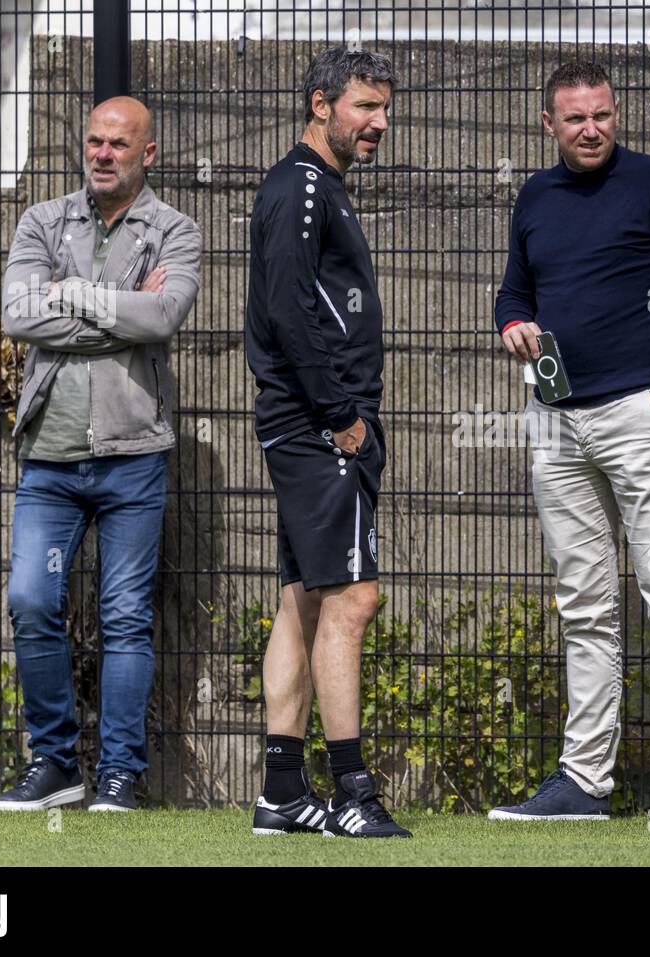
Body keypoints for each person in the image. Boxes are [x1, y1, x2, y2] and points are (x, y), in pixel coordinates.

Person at [487, 61, 650, 823]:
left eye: (601, 114)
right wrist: (512, 325)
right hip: (556, 419)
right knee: (585, 605)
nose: (591, 129)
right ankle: (583, 783)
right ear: (548, 125)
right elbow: (513, 291)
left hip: (643, 416)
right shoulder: (534, 196)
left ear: (616, 112)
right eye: (574, 118)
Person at [0, 96, 202, 812]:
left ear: (148, 153)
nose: (102, 153)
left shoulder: (174, 229)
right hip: (49, 461)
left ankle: (120, 772)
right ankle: (55, 762)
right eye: (93, 141)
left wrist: (73, 295)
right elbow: (18, 312)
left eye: (118, 143)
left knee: (123, 616)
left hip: (132, 456)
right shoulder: (43, 220)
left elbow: (165, 314)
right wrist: (119, 311)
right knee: (30, 599)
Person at [243, 47, 409, 838]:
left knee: (303, 601)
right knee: (353, 597)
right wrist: (341, 410)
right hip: (318, 425)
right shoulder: (302, 187)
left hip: (306, 422)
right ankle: (354, 793)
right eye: (365, 107)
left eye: (382, 109)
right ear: (321, 104)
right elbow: (286, 308)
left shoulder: (315, 186)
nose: (379, 122)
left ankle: (281, 792)